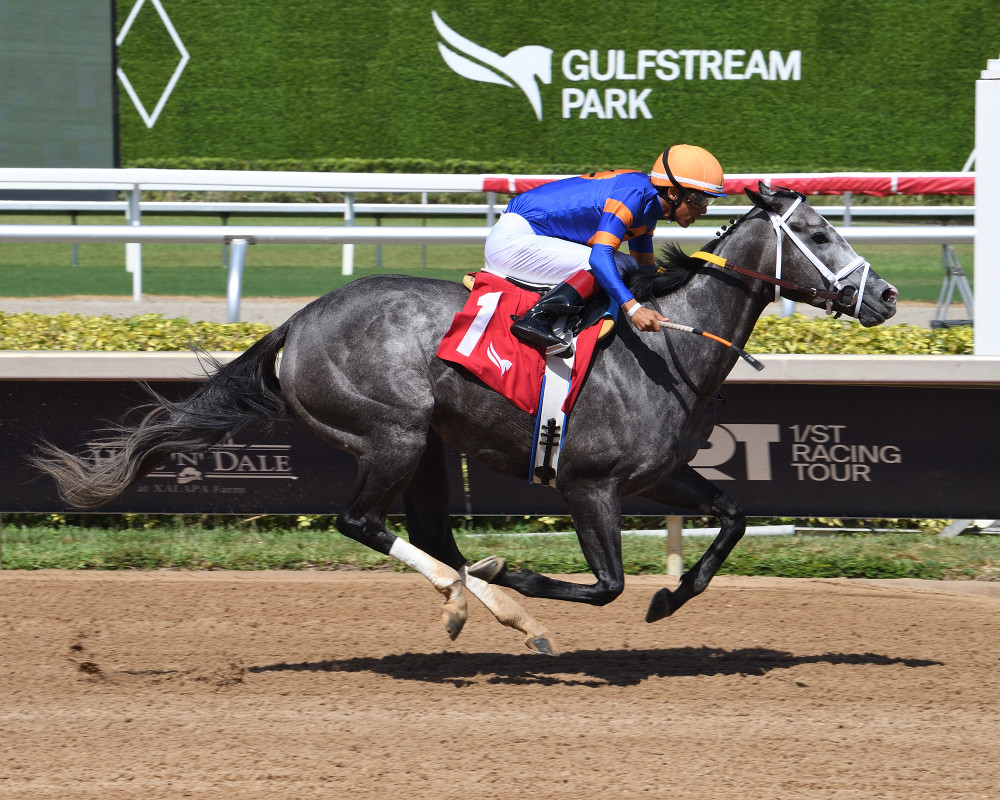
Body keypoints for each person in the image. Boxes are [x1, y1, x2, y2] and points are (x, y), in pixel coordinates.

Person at [482, 144, 726, 354]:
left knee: (628, 267)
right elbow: (600, 257)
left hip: (531, 237)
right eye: (699, 200)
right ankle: (538, 319)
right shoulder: (633, 196)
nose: (703, 210)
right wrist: (632, 308)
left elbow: (645, 270)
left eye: (709, 201)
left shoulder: (648, 209)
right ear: (673, 193)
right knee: (616, 264)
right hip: (513, 241)